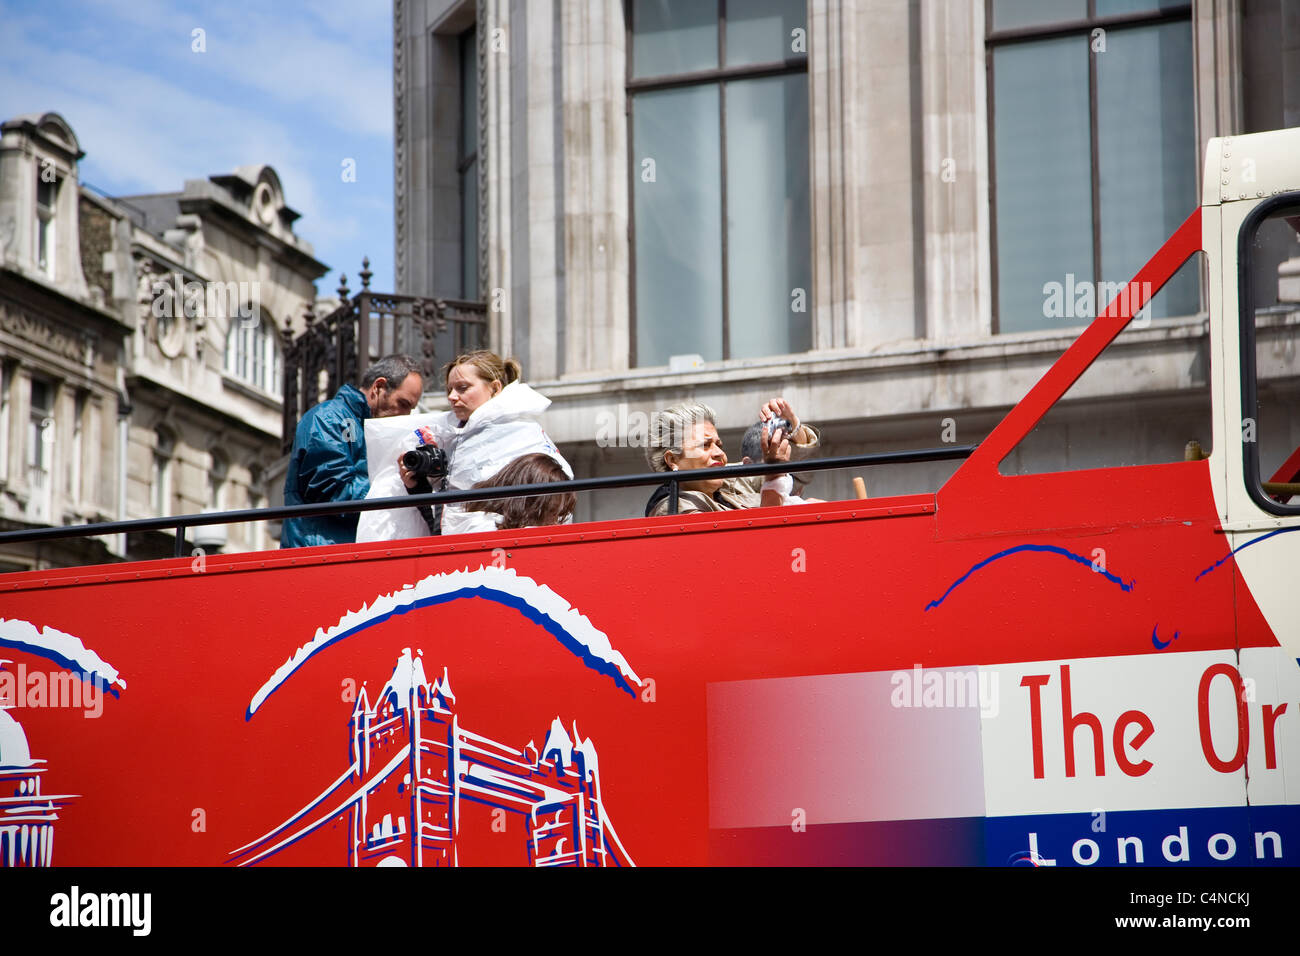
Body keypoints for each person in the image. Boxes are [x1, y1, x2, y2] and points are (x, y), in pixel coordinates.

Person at [395, 350, 572, 535]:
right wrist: (417, 486)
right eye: (449, 389)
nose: (452, 397)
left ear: (494, 388)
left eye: (462, 388)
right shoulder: (449, 436)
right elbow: (444, 520)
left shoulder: (523, 433)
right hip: (457, 553)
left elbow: (549, 507)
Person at [280, 354, 423, 548]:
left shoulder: (370, 426)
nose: (405, 415)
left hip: (345, 551)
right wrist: (396, 484)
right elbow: (335, 492)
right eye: (403, 404)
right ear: (378, 387)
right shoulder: (329, 418)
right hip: (322, 554)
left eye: (411, 409)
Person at [644, 398, 819, 517]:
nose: (719, 453)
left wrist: (791, 425)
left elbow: (797, 476)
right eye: (705, 445)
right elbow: (748, 552)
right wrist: (774, 477)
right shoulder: (673, 509)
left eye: (719, 445)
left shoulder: (728, 482)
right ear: (672, 460)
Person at [459, 453, 577, 533]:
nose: (555, 523)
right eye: (551, 511)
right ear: (527, 504)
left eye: (558, 514)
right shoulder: (481, 528)